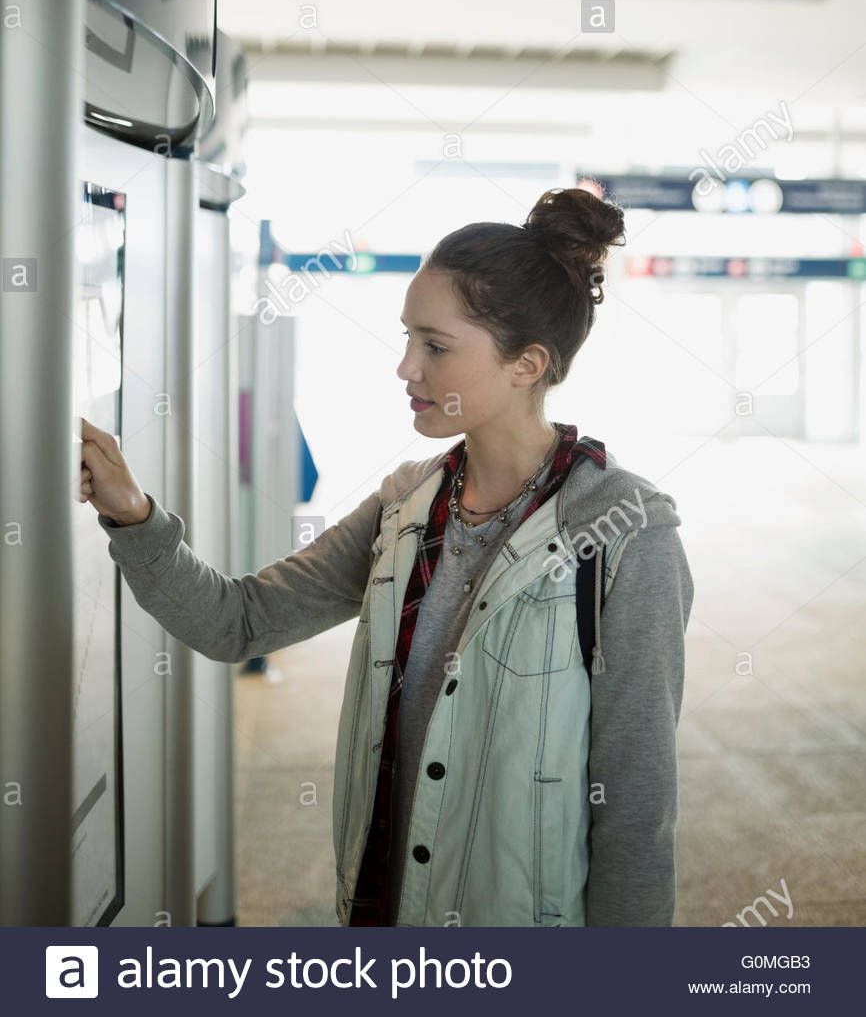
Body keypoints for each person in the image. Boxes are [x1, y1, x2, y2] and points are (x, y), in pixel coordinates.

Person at [79, 185, 694, 928]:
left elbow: (634, 809)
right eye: (407, 338)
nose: (406, 368)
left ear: (527, 364)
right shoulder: (409, 507)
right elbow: (236, 623)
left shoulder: (625, 533)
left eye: (434, 346)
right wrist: (132, 514)